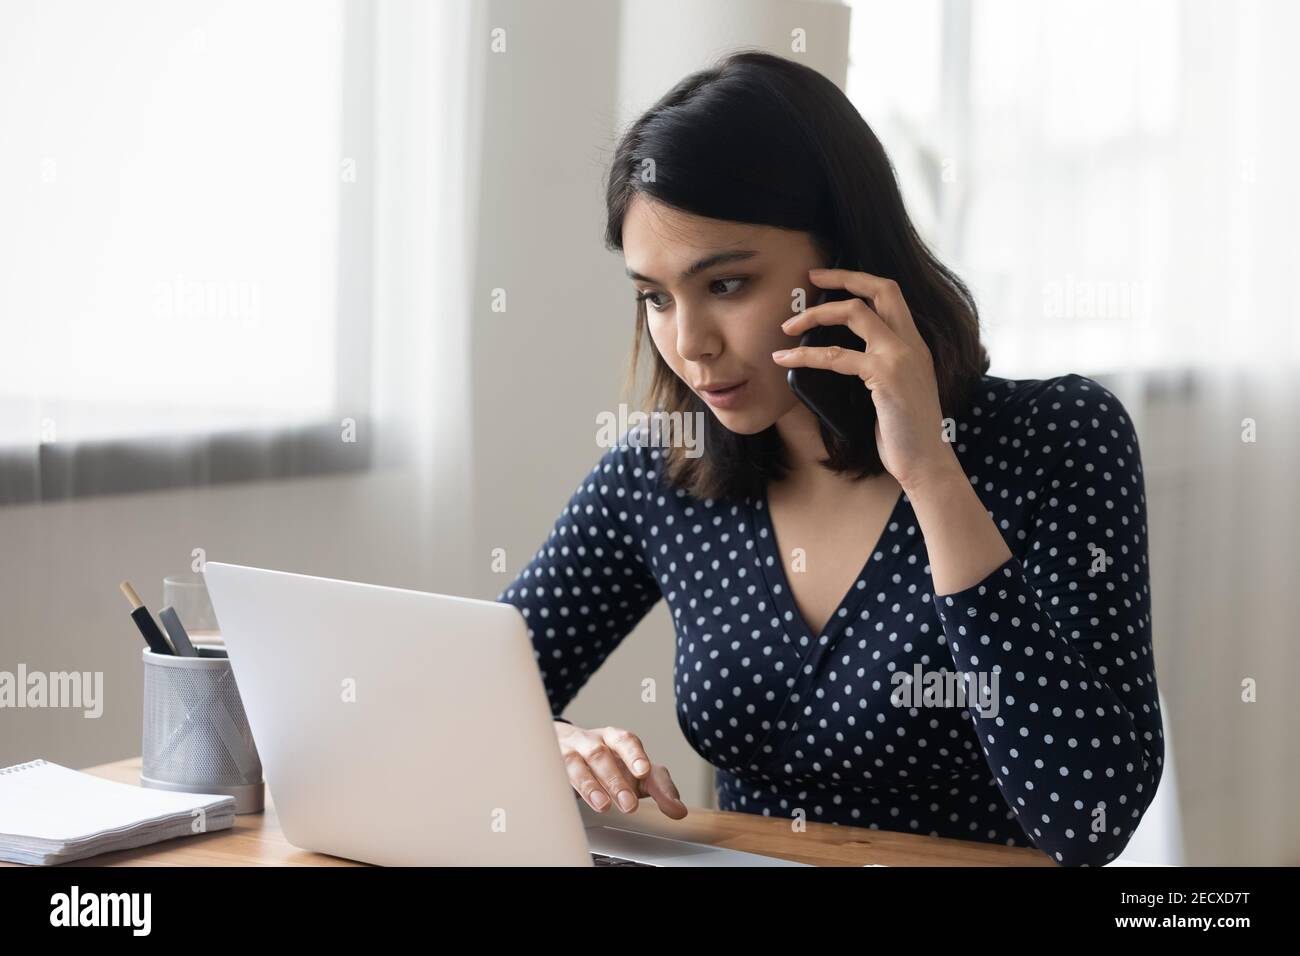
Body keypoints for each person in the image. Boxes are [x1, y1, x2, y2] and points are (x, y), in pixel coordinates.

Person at [498, 50, 1162, 867]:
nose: (690, 345)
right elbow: (474, 696)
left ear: (845, 260)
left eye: (728, 285)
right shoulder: (661, 475)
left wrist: (932, 477)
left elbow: (1090, 818)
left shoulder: (1058, 437)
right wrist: (549, 743)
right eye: (656, 297)